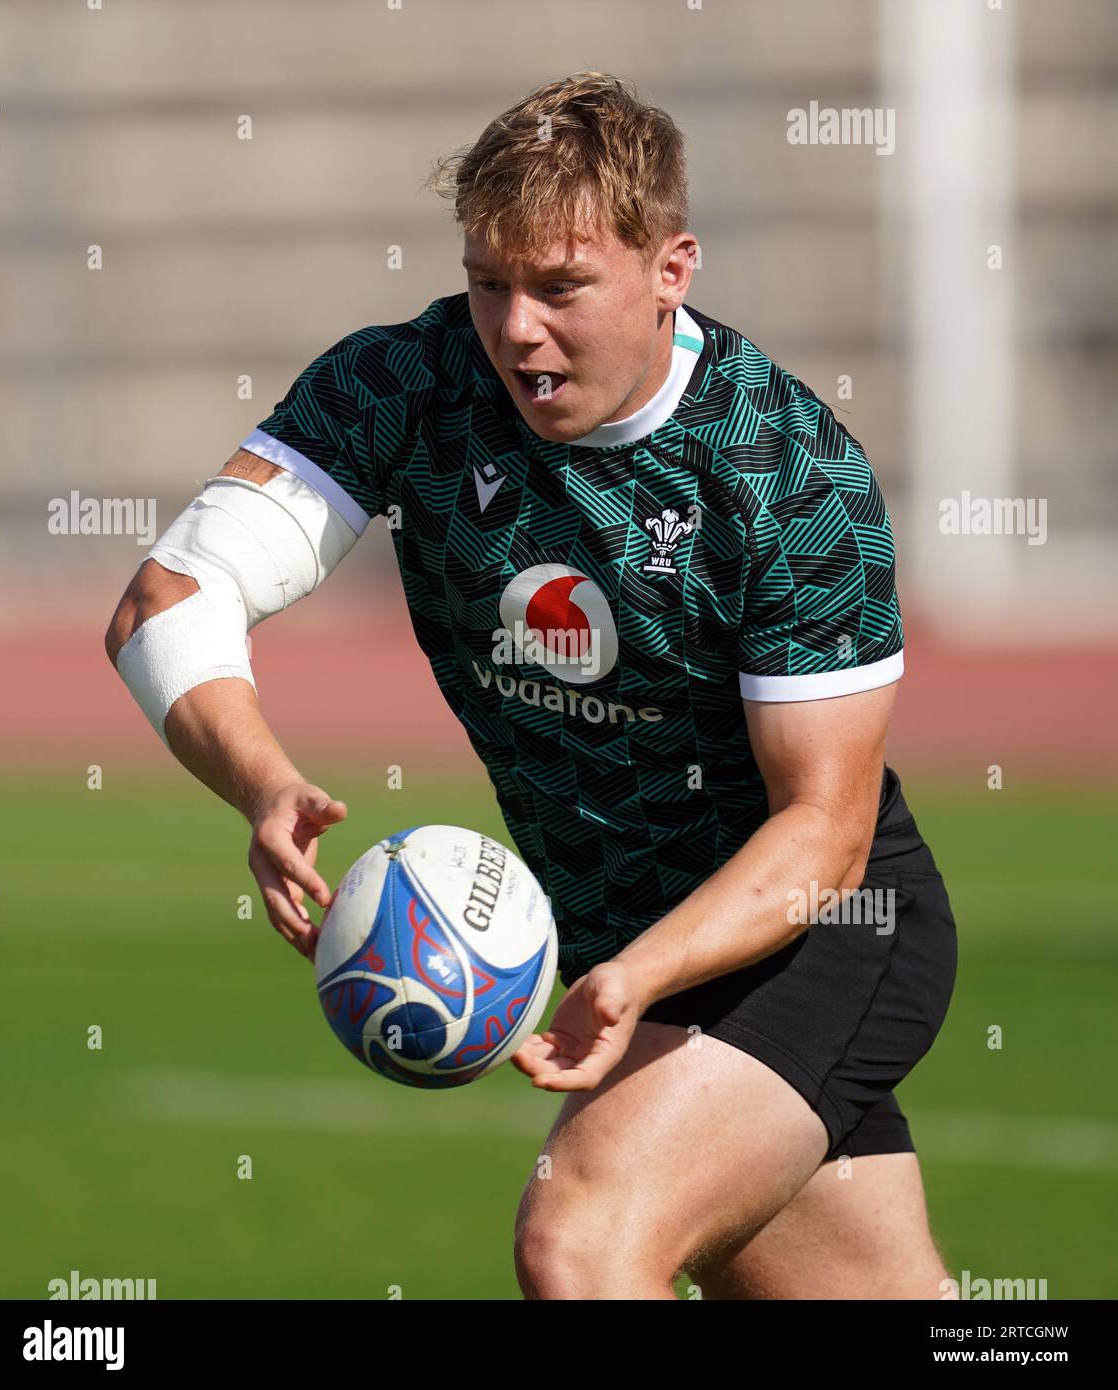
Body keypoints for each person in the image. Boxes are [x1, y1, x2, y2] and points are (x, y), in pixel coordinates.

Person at [106, 72, 958, 1300]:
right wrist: (263, 782)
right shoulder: (404, 386)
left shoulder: (786, 472)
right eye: (488, 280)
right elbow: (168, 599)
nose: (513, 329)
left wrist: (640, 977)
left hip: (818, 931)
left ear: (671, 268)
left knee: (580, 1238)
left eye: (559, 287)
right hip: (619, 944)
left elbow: (822, 831)